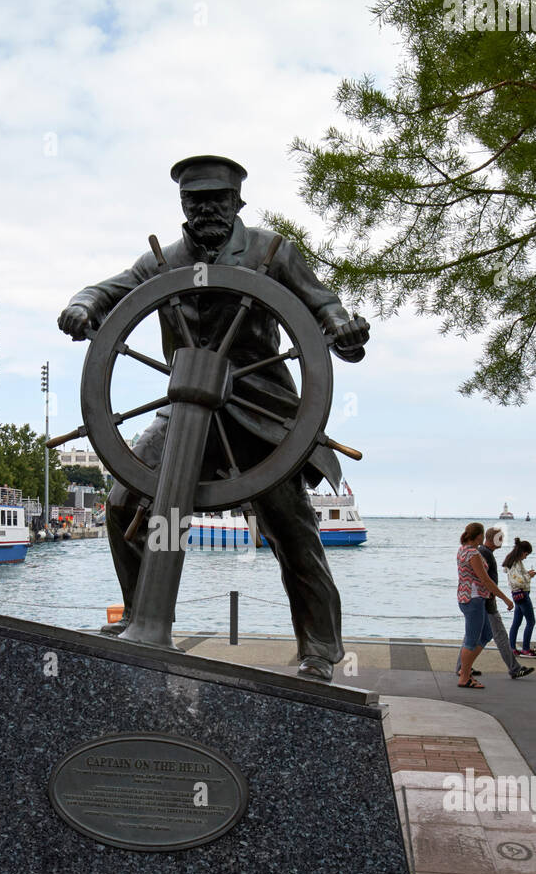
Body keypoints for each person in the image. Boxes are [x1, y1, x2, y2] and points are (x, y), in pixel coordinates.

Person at [57, 154, 371, 682]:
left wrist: (341, 327)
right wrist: (82, 305)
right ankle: (142, 619)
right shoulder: (162, 261)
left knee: (291, 530)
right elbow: (104, 293)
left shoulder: (273, 253)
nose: (205, 210)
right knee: (122, 502)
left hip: (260, 415)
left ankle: (320, 649)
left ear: (237, 203)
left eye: (215, 201)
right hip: (186, 415)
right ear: (182, 204)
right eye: (194, 201)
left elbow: (324, 306)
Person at [456, 522, 514, 689]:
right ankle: (464, 676)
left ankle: (465, 670)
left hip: (468, 596)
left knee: (486, 633)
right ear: (480, 536)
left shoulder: (463, 549)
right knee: (471, 640)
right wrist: (504, 598)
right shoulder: (473, 553)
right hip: (473, 598)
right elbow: (485, 579)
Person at [477, 528, 534, 679]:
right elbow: (486, 580)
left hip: (485, 601)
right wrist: (503, 598)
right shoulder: (485, 553)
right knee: (500, 635)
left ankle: (462, 667)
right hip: (487, 602)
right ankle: (514, 668)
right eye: (500, 538)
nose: (502, 541)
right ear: (493, 539)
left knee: (477, 635)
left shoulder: (484, 552)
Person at [503, 538, 536, 657]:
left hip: (517, 595)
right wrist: (529, 575)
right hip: (522, 594)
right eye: (526, 555)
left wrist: (527, 574)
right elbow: (517, 581)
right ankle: (525, 649)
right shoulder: (515, 563)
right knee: (531, 621)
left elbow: (516, 577)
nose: (526, 557)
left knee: (517, 622)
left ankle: (512, 647)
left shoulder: (513, 562)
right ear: (523, 552)